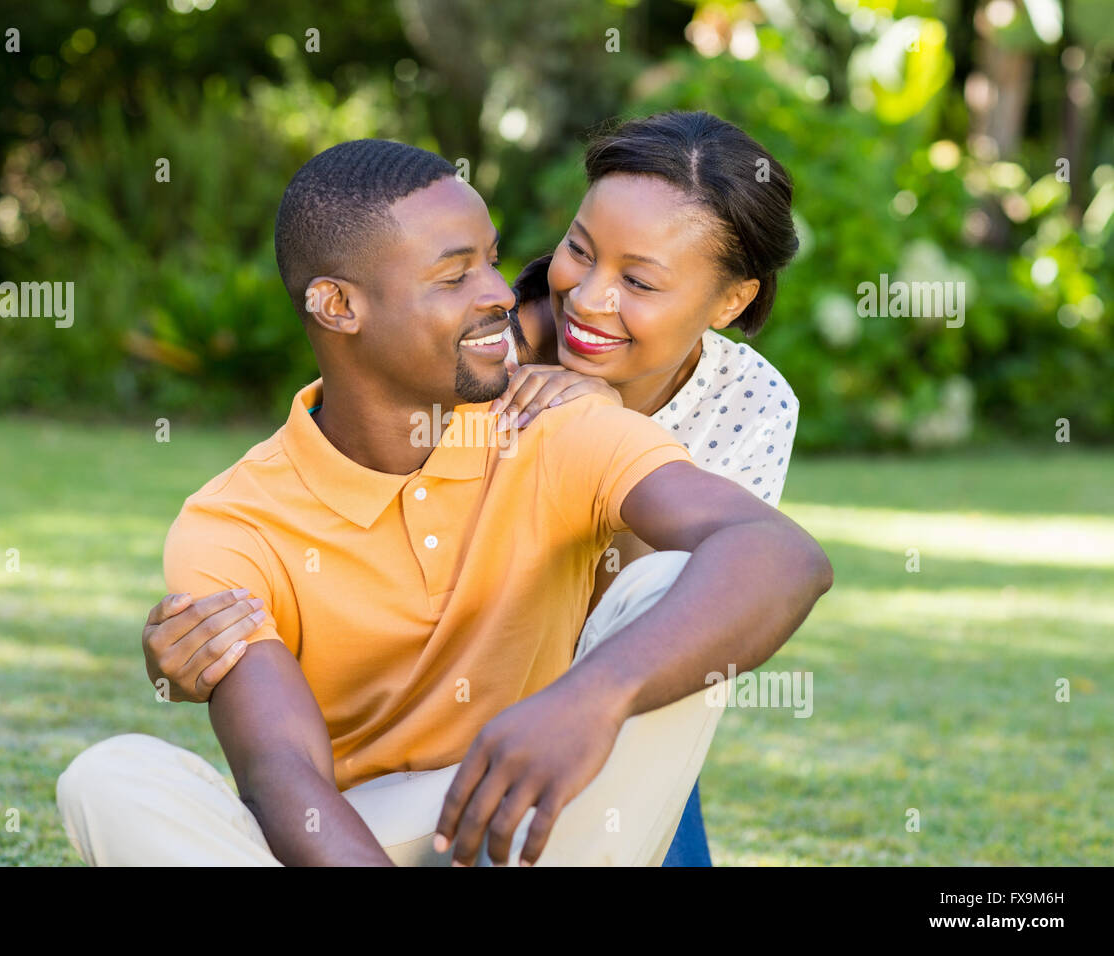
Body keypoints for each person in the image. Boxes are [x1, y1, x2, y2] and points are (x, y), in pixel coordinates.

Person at [57, 137, 831, 866]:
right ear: (337, 305)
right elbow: (281, 775)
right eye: (456, 275)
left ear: (729, 299)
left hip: (544, 793)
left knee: (671, 580)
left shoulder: (565, 422)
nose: (503, 294)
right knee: (110, 777)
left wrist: (591, 700)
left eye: (493, 263)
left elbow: (780, 556)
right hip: (364, 831)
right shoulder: (230, 523)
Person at [493, 110, 801, 865]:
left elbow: (672, 603)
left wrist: (610, 435)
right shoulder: (485, 356)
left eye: (637, 280)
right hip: (465, 689)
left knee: (692, 583)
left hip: (616, 704)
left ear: (730, 301)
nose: (589, 298)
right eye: (578, 250)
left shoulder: (752, 402)